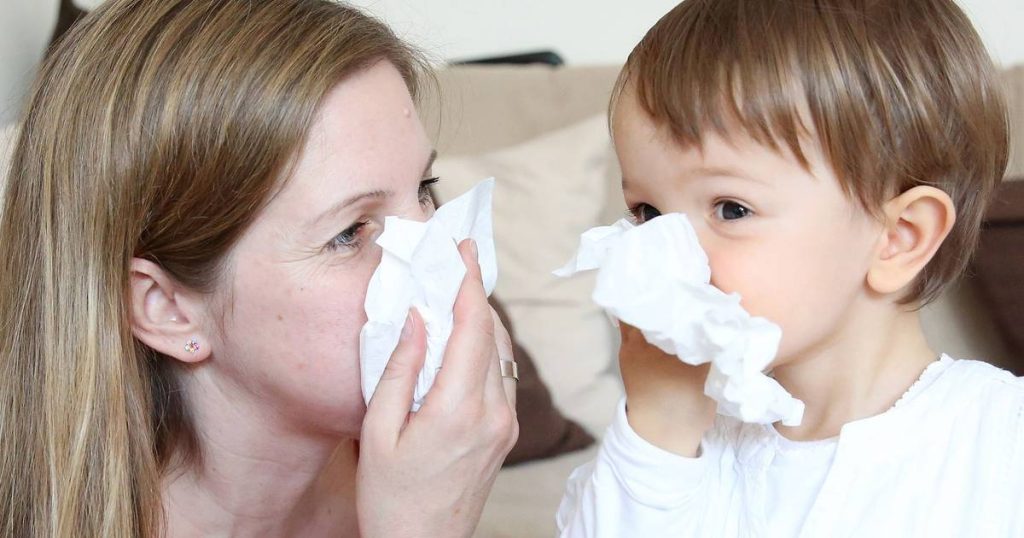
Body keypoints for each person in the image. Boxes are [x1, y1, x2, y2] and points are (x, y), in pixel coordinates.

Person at [0, 1, 518, 536]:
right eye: (349, 233)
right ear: (168, 309)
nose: (445, 260)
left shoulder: (424, 471)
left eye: (425, 192)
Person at [557, 0, 1024, 536]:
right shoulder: (661, 452)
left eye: (731, 209)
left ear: (898, 238)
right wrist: (658, 431)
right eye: (648, 214)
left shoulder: (1001, 444)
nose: (670, 257)